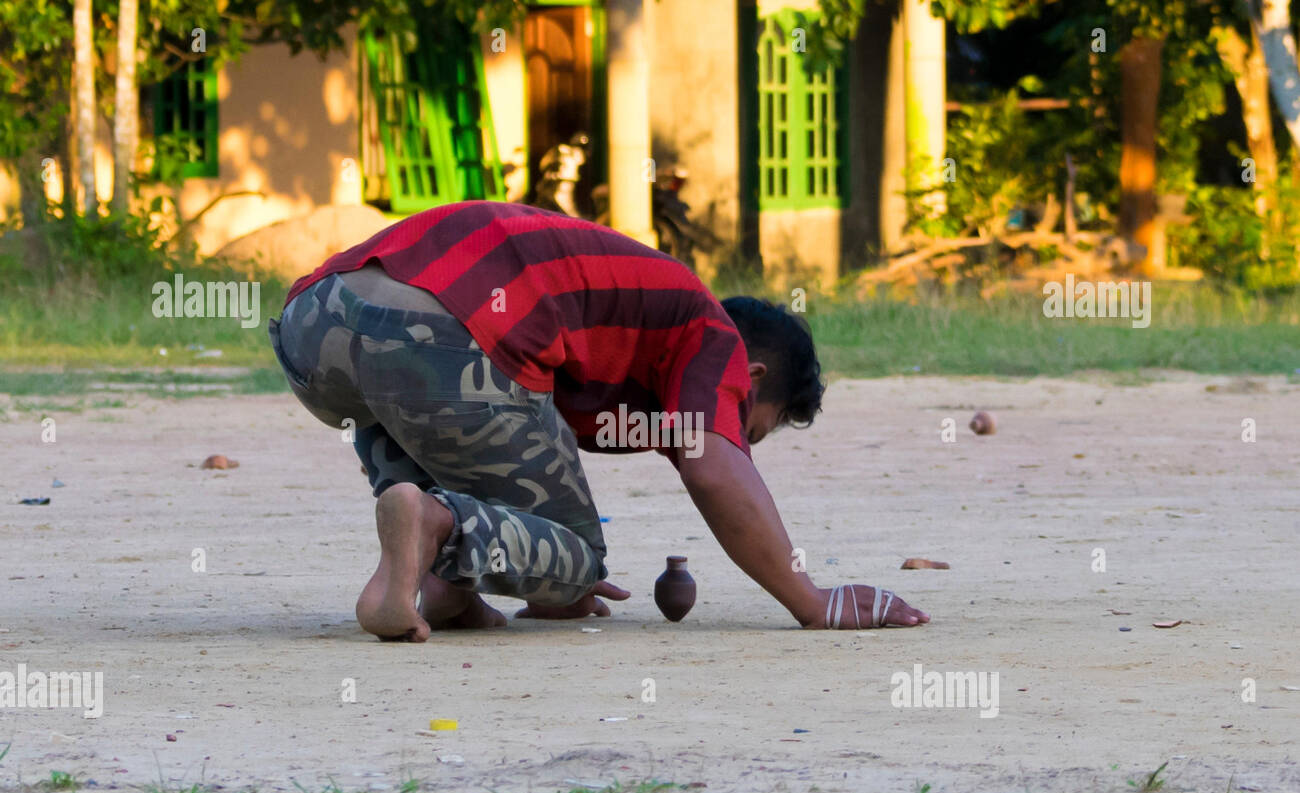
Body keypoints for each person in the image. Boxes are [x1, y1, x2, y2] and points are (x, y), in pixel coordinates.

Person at [269, 201, 929, 640]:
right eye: (749, 426)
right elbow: (711, 462)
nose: (737, 436)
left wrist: (537, 549)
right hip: (436, 328)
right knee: (580, 557)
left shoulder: (630, 333)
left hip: (315, 328)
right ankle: (436, 524)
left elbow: (502, 441)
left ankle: (442, 586)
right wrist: (813, 600)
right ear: (750, 378)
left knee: (455, 426)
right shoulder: (713, 332)